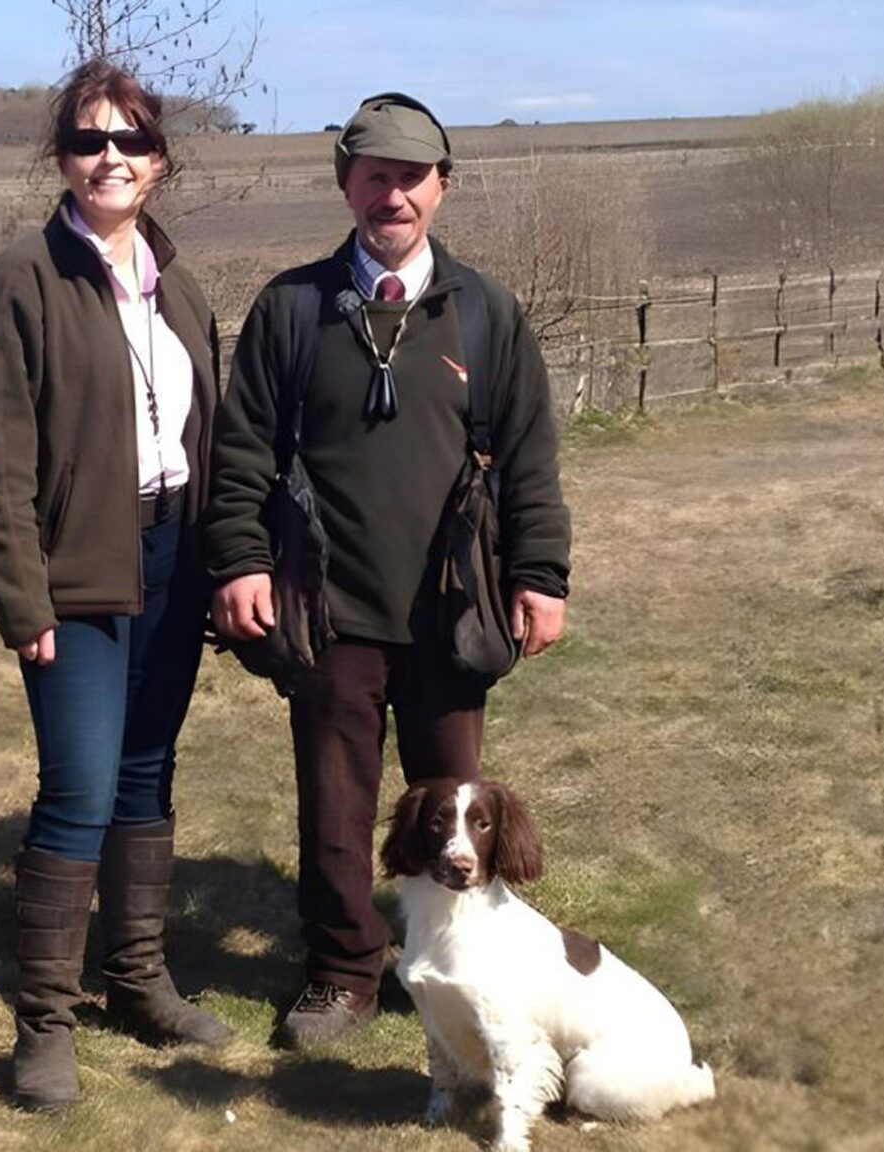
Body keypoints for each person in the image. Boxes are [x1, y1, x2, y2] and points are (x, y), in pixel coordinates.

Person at [205, 92, 571, 1048]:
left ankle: (455, 965)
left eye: (412, 177)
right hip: (328, 607)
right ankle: (342, 976)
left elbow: (530, 458)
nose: (393, 195)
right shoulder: (291, 308)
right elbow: (239, 450)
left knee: (454, 805)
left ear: (442, 188)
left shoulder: (485, 313)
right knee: (336, 801)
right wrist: (242, 561)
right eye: (375, 176)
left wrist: (542, 575)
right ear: (346, 186)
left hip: (453, 609)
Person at [0, 59, 228, 1111]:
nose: (108, 158)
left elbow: (205, 430)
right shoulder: (19, 282)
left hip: (171, 560)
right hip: (76, 571)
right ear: (62, 159)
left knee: (147, 773)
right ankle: (45, 1024)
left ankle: (138, 981)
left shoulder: (178, 280)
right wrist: (21, 599)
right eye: (87, 140)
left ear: (158, 160)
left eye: (128, 140)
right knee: (77, 788)